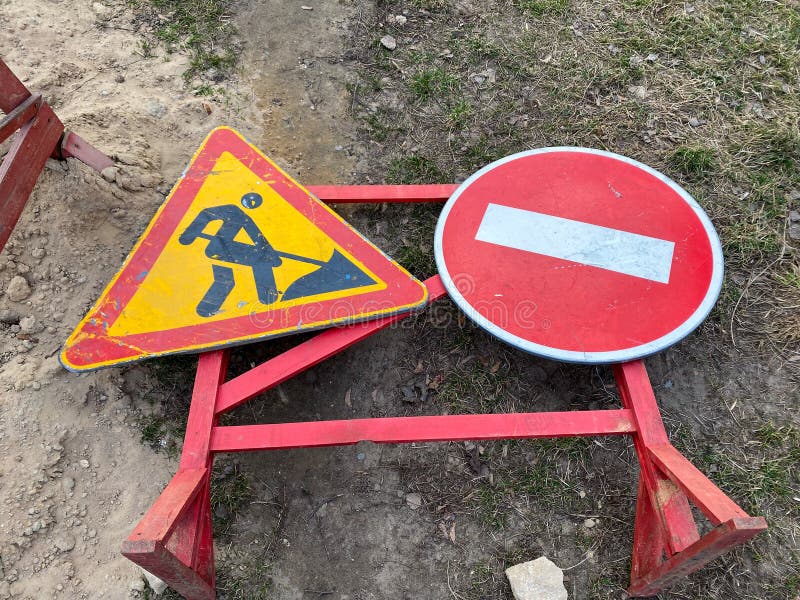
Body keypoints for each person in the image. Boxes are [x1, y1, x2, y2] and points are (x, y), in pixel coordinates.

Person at [179, 192, 281, 317]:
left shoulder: (237, 213)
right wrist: (188, 236)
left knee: (258, 264)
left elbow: (254, 232)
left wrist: (270, 253)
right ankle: (206, 309)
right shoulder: (233, 211)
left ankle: (267, 298)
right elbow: (205, 215)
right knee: (254, 265)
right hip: (218, 248)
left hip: (221, 248)